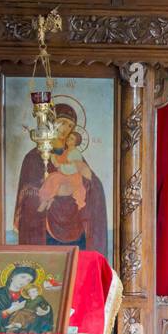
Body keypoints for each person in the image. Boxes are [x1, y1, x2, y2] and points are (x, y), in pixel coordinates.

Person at [14, 103, 108, 253]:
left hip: (76, 227)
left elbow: (93, 183)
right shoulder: (33, 158)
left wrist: (84, 181)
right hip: (44, 230)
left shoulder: (75, 156)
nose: (65, 129)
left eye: (70, 126)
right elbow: (27, 194)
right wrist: (54, 191)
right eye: (62, 122)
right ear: (51, 123)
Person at [0, 265, 55, 334]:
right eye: (22, 277)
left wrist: (45, 312)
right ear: (12, 276)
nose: (24, 281)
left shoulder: (30, 297)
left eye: (28, 280)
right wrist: (8, 311)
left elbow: (43, 316)